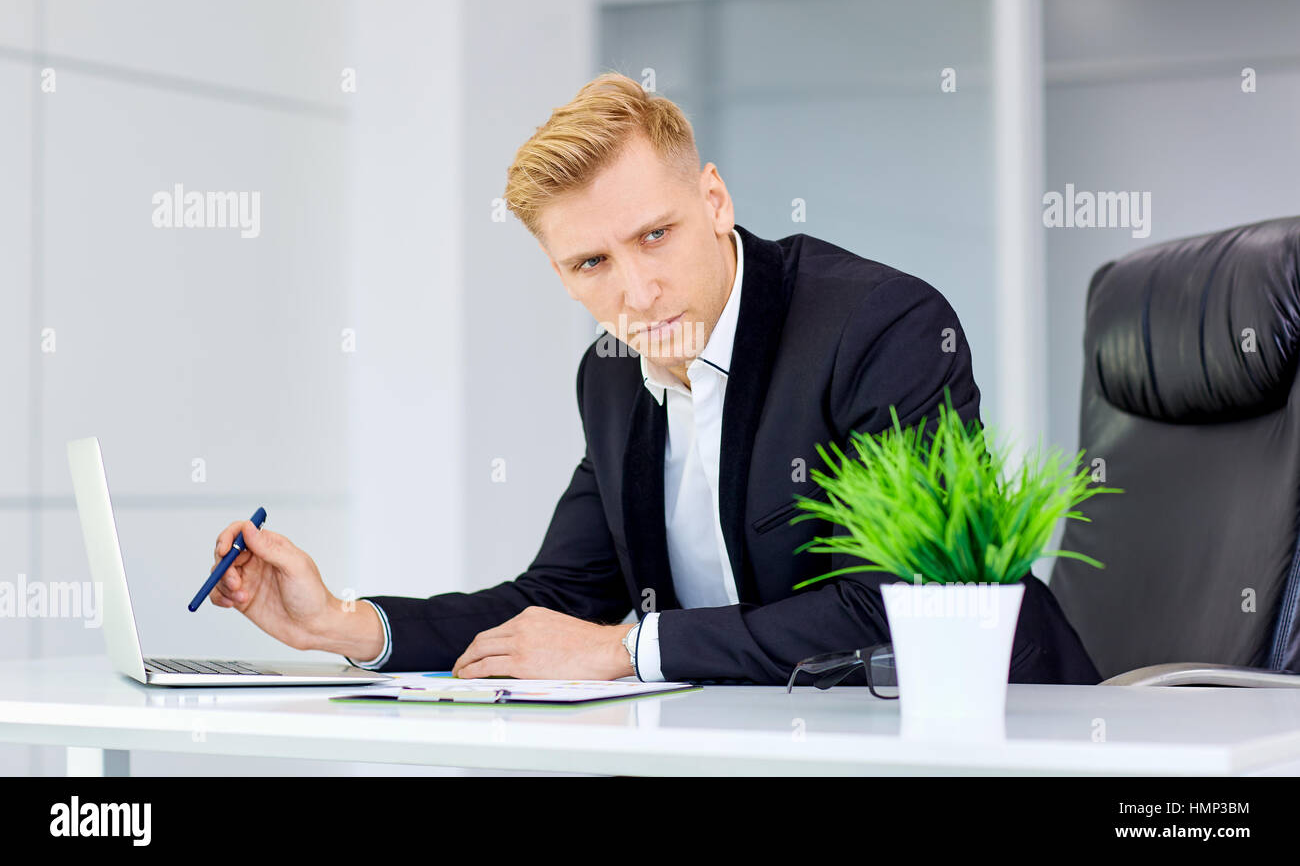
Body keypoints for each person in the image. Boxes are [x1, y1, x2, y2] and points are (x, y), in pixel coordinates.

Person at [207, 72, 1100, 685]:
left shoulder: (880, 327)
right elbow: (556, 601)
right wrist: (346, 624)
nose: (635, 291)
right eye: (590, 262)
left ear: (715, 201)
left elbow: (915, 608)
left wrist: (630, 651)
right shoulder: (610, 378)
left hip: (1008, 741)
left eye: (655, 236)